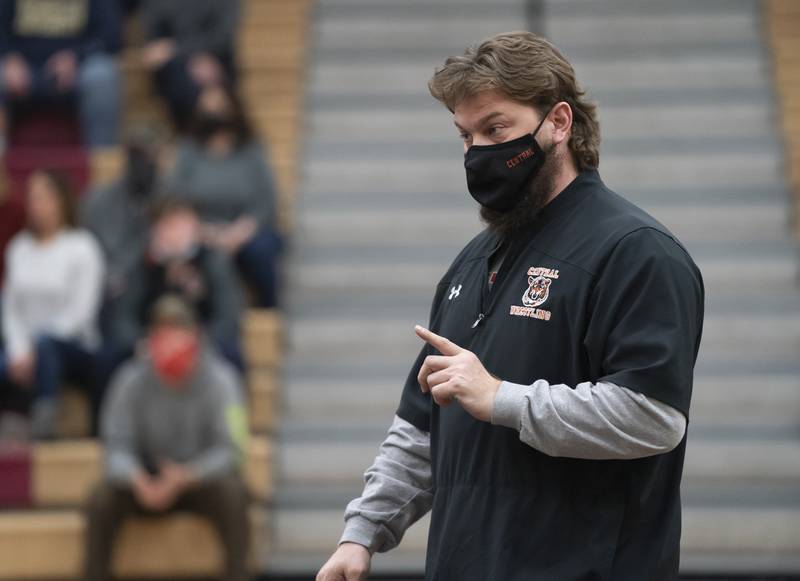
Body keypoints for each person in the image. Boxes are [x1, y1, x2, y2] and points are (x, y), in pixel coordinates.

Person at [317, 32, 705, 581]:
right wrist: (361, 535)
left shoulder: (635, 250)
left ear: (559, 122)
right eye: (466, 135)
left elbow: (654, 417)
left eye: (495, 128)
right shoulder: (471, 264)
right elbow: (421, 426)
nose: (478, 152)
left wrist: (502, 399)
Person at [84, 294, 250, 581]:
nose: (170, 348)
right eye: (163, 338)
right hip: (144, 480)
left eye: (178, 337)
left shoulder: (224, 380)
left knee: (234, 494)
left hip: (199, 481)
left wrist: (187, 476)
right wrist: (137, 479)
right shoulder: (129, 379)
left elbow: (231, 451)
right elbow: (115, 445)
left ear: (195, 337)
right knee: (101, 499)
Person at [0, 168, 104, 439]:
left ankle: (44, 421)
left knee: (47, 349)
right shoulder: (19, 248)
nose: (37, 205)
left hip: (74, 346)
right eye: (32, 198)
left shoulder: (82, 247)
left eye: (44, 197)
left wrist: (36, 346)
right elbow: (11, 308)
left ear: (62, 200)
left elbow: (81, 312)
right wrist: (19, 348)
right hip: (27, 348)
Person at [165, 84, 281, 308]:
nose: (214, 117)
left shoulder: (251, 150)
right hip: (200, 231)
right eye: (208, 110)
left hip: (245, 230)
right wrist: (201, 230)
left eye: (220, 109)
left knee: (261, 249)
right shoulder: (188, 152)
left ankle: (268, 310)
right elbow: (174, 197)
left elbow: (266, 200)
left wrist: (239, 232)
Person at [106, 197, 244, 376]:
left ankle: (234, 405)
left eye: (181, 224)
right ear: (155, 229)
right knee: (107, 357)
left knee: (232, 358)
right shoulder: (142, 265)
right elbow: (124, 318)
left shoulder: (213, 261)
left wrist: (197, 344)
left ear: (196, 228)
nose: (175, 232)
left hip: (202, 342)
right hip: (151, 343)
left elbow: (227, 315)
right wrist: (141, 343)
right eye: (168, 224)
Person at [0, 0, 122, 147]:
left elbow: (111, 36)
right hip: (21, 69)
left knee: (102, 74)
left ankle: (102, 158)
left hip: (78, 70)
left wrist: (77, 57)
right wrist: (8, 56)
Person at [81, 127, 161, 336]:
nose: (144, 161)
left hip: (154, 285)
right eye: (137, 154)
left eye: (150, 154)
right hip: (111, 287)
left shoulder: (170, 198)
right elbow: (89, 251)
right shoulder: (99, 201)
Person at [139, 0, 240, 130]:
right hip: (174, 67)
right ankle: (199, 133)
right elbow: (154, 36)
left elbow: (223, 37)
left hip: (217, 60)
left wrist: (179, 49)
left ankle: (210, 131)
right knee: (178, 77)